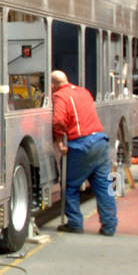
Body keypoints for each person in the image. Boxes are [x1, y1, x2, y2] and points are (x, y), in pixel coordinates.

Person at [50, 69, 117, 236]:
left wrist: (59, 141)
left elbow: (58, 120)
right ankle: (109, 226)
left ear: (52, 85)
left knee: (70, 186)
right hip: (100, 142)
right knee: (104, 187)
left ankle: (75, 223)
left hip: (82, 145)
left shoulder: (60, 96)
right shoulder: (84, 91)